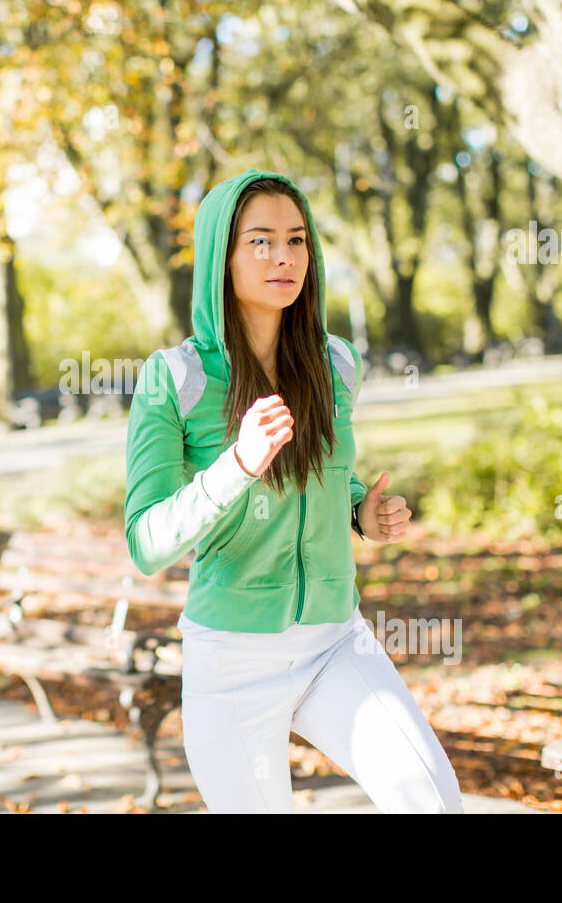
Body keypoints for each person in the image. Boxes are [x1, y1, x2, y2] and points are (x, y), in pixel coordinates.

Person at [123, 168, 463, 814]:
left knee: (433, 801)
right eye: (260, 241)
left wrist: (363, 511)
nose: (284, 256)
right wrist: (238, 464)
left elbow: (330, 475)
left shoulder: (334, 363)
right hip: (231, 662)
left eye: (297, 239)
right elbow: (146, 541)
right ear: (221, 257)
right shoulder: (174, 378)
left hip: (335, 640)